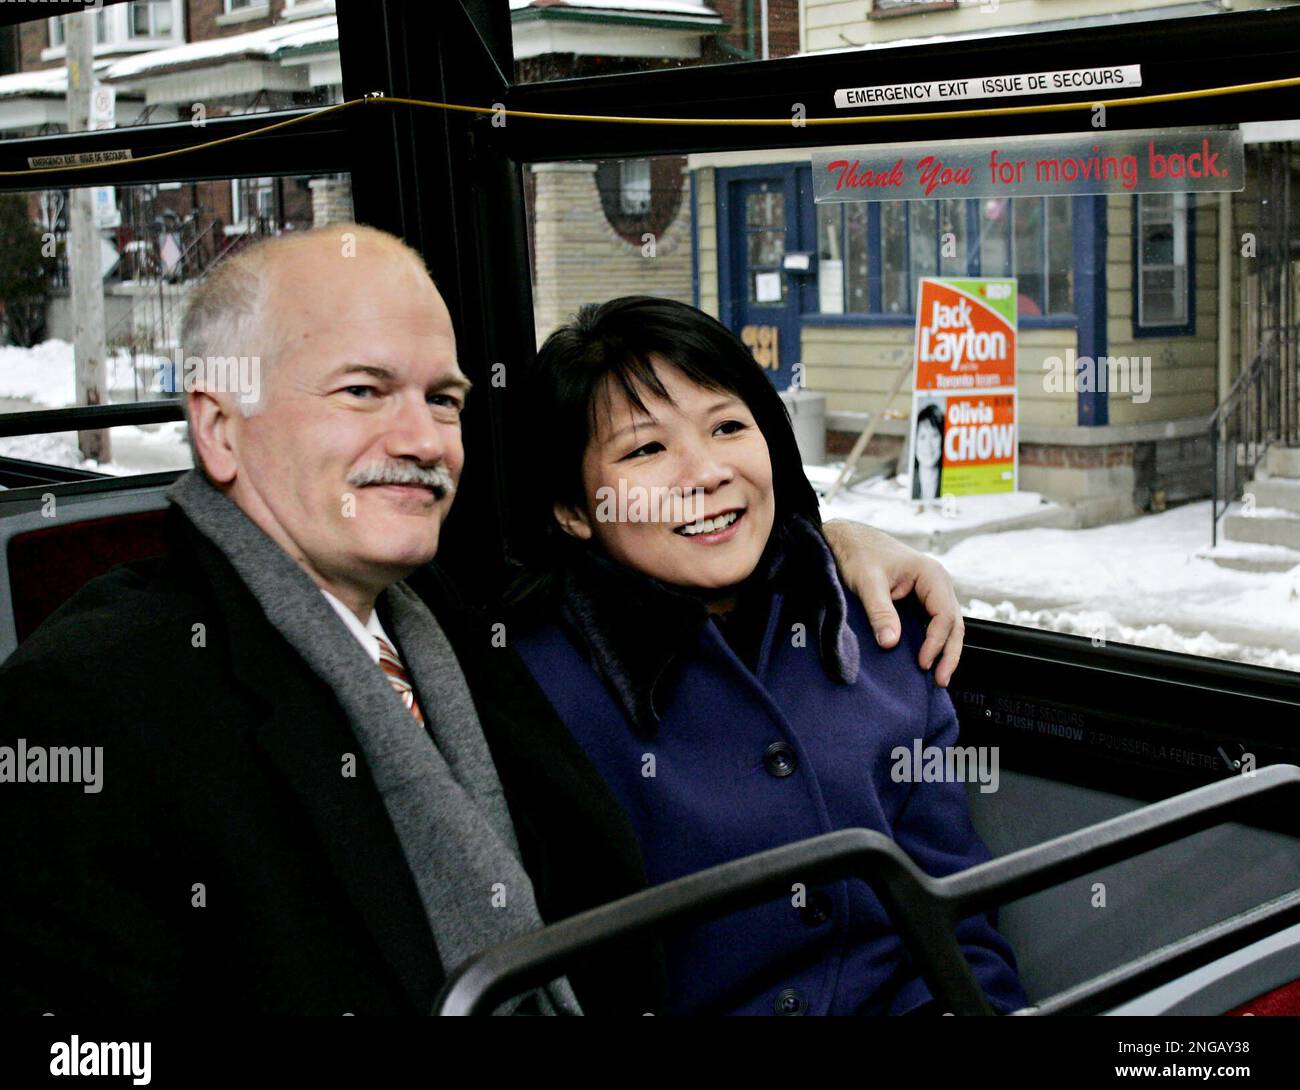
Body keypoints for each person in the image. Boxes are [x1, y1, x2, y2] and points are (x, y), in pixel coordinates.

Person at [0, 225, 970, 1016]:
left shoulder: (452, 640)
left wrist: (828, 536)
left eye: (443, 399)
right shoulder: (95, 695)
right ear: (220, 427)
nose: (420, 439)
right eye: (362, 392)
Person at [508, 296, 1027, 1016]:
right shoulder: (529, 690)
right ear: (572, 507)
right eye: (646, 449)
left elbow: (957, 919)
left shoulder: (879, 635)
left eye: (727, 426)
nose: (707, 471)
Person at [912, 401, 945, 501]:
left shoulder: (952, 482)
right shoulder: (906, 483)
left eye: (935, 436)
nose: (929, 445)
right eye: (922, 437)